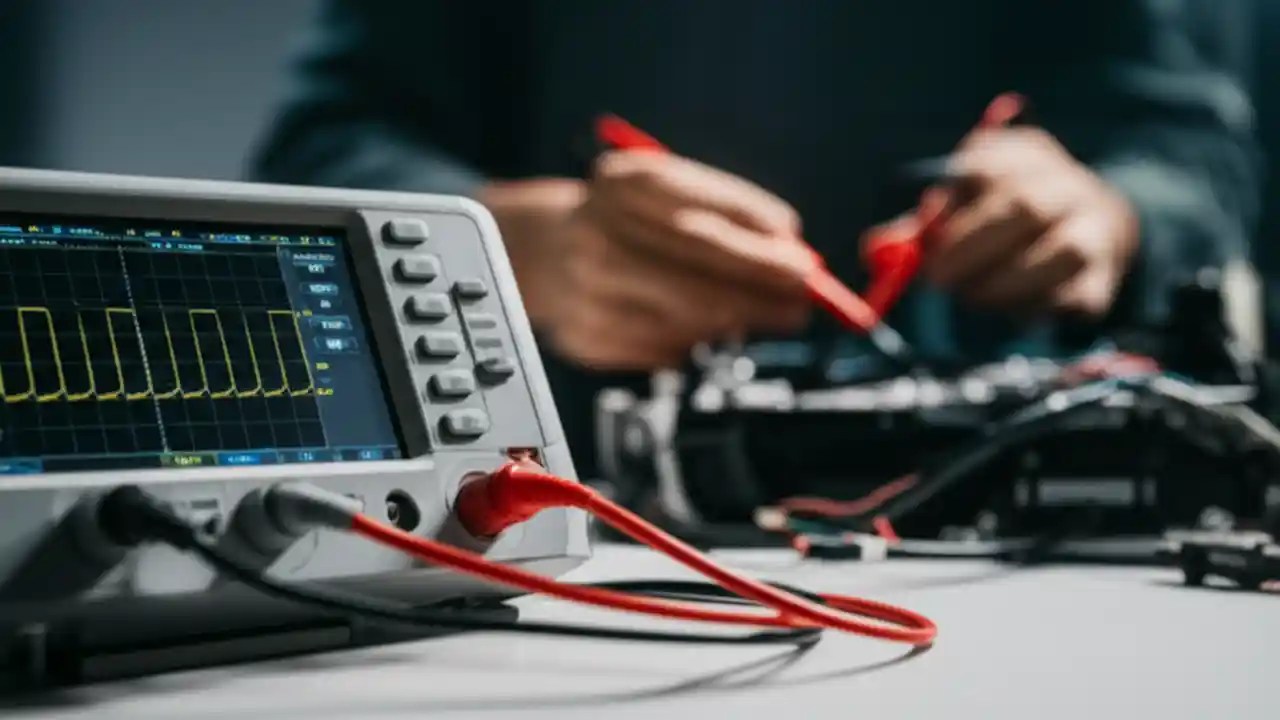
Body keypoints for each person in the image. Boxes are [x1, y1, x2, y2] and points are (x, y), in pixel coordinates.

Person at [252, 0, 1259, 480]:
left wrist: (1109, 211)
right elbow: (328, 144)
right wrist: (511, 249)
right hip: (577, 498)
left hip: (999, 496)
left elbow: (1193, 152)